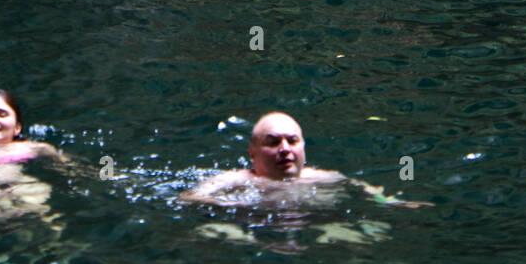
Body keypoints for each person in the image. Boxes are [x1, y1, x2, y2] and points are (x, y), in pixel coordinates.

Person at [179, 111, 429, 208]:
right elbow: (188, 198)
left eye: (292, 141)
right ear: (253, 153)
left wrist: (392, 202)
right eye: (273, 142)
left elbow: (363, 189)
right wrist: (235, 205)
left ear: (304, 149)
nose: (285, 149)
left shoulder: (325, 177)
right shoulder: (236, 181)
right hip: (253, 234)